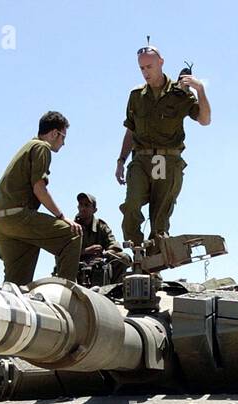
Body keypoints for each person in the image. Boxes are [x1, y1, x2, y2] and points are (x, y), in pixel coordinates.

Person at [116, 45, 211, 246]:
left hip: (166, 161)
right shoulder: (136, 96)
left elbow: (204, 119)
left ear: (161, 63)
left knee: (159, 218)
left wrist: (200, 89)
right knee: (131, 205)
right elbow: (130, 130)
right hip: (141, 159)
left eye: (149, 66)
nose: (145, 72)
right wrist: (121, 160)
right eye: (141, 68)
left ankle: (154, 257)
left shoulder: (180, 95)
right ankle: (136, 251)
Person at [0, 111, 82, 285]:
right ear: (55, 133)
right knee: (72, 234)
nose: (64, 143)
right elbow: (39, 189)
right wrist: (62, 217)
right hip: (18, 217)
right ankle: (64, 298)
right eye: (63, 137)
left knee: (17, 284)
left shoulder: (27, 146)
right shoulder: (41, 147)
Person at [74, 192, 128, 284]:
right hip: (77, 263)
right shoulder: (73, 226)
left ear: (94, 210)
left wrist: (103, 254)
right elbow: (62, 252)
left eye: (87, 205)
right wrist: (86, 251)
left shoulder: (101, 226)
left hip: (98, 262)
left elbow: (114, 246)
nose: (82, 208)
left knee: (123, 258)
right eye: (80, 204)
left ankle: (112, 290)